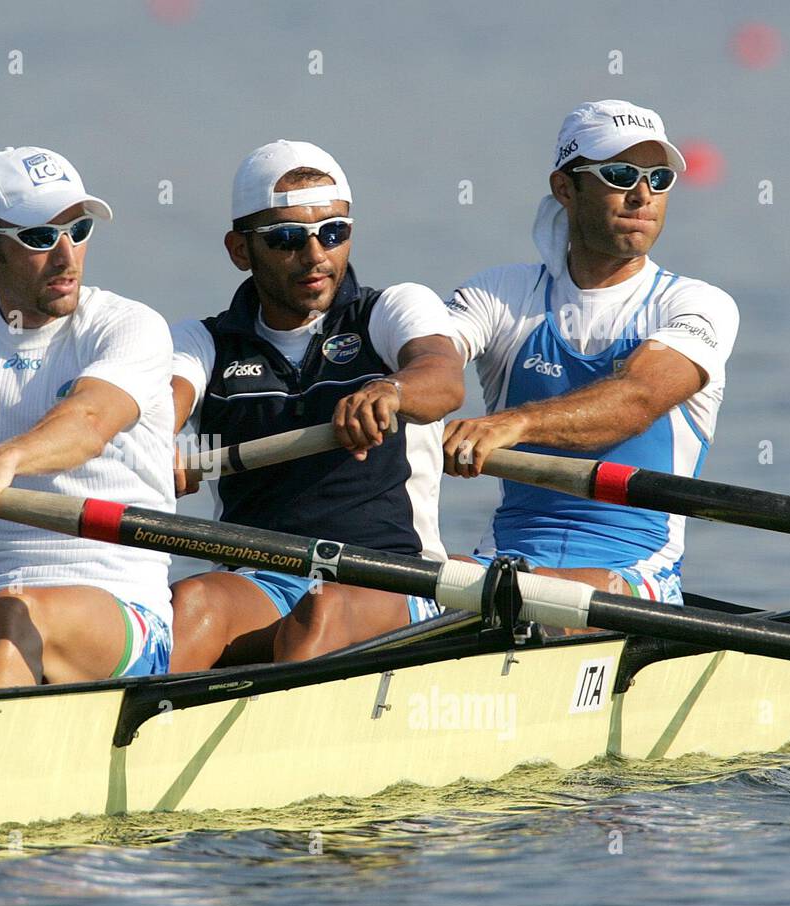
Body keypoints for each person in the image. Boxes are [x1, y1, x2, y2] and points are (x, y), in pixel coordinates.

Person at [168, 140, 465, 671]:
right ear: (240, 250)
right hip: (261, 578)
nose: (316, 256)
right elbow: (158, 404)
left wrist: (390, 391)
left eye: (334, 232)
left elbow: (442, 378)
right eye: (287, 238)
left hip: (388, 575)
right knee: (188, 605)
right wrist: (152, 441)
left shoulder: (390, 310)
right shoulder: (202, 342)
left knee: (320, 613)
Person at [442, 101, 739, 603]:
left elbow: (636, 401)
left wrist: (512, 425)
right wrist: (394, 391)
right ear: (565, 188)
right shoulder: (502, 294)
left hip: (633, 574)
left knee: (528, 598)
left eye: (659, 178)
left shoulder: (695, 304)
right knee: (351, 597)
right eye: (621, 174)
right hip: (501, 562)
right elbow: (430, 361)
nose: (642, 195)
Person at [0, 146, 176, 690]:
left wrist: (6, 457)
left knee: (14, 614)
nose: (67, 256)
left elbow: (87, 423)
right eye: (40, 237)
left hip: (123, 610)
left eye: (78, 230)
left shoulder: (129, 327)